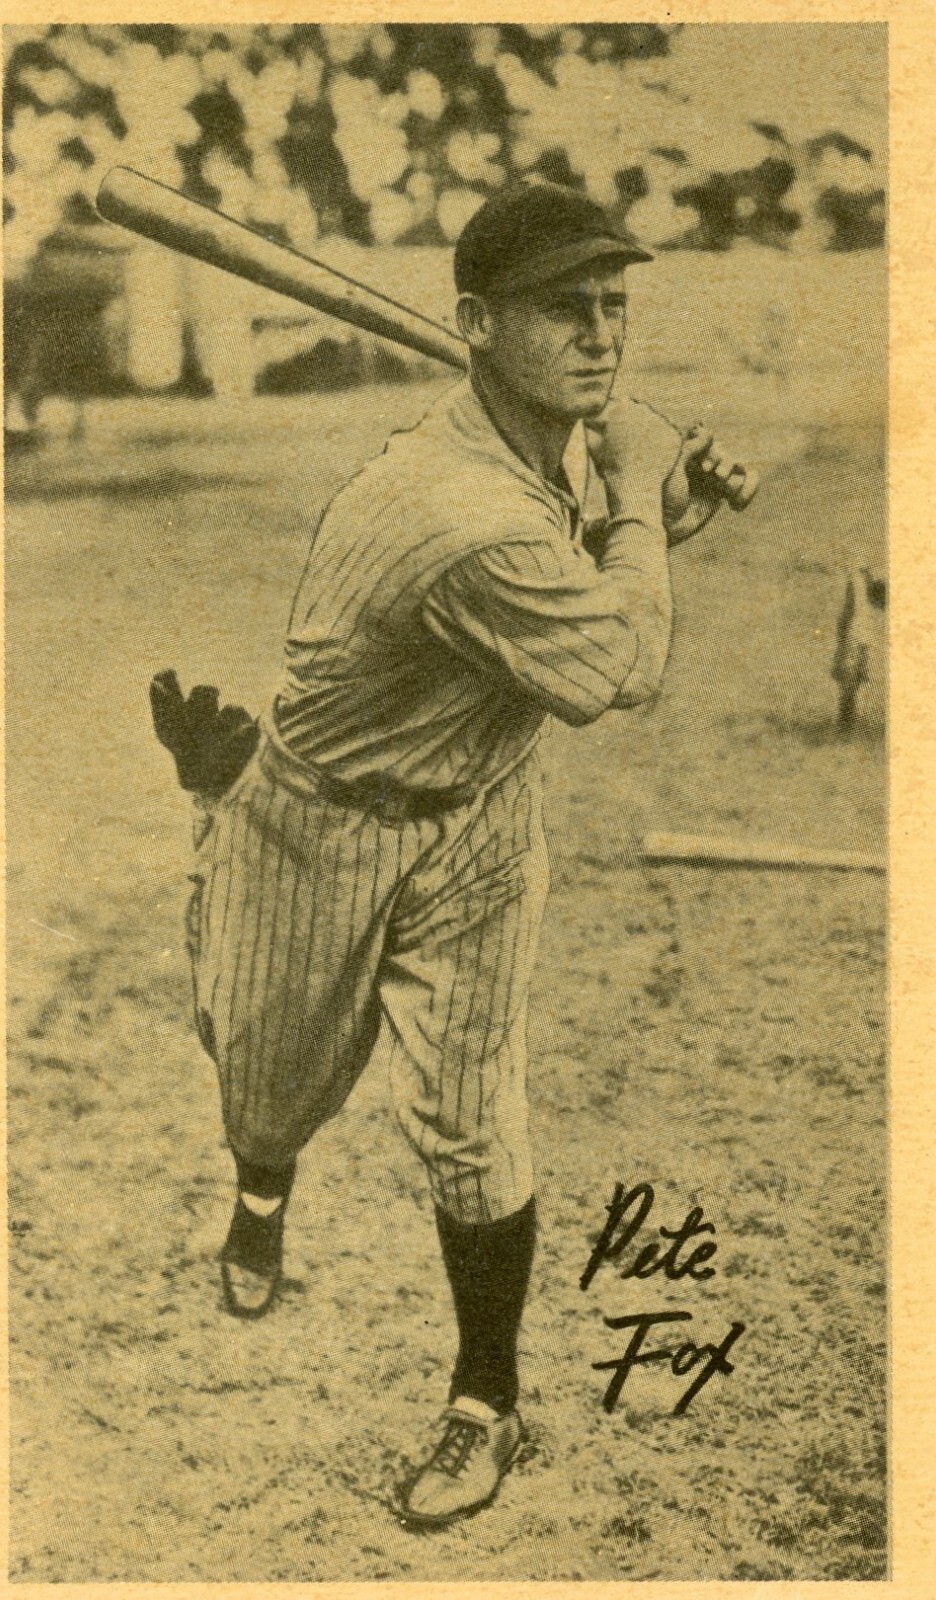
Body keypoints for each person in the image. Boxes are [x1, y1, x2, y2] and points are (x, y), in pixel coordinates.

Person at [177, 182, 744, 1529]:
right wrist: (640, 502)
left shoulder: (522, 449)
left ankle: (485, 1398)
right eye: (563, 311)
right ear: (477, 325)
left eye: (613, 306)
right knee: (268, 1083)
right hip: (318, 815)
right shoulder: (445, 503)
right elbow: (619, 665)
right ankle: (261, 1184)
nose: (601, 336)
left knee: (474, 1121)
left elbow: (572, 596)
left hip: (477, 814)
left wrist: (647, 511)